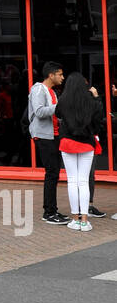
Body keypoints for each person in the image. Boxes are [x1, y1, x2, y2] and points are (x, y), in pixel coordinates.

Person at [54, 73, 105, 233]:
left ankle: (74, 219)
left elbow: (57, 114)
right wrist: (96, 97)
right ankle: (84, 220)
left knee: (72, 181)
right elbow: (99, 121)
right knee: (83, 182)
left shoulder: (63, 100)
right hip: (86, 144)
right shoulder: (91, 102)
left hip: (68, 142)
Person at [28, 62, 69, 225]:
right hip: (44, 136)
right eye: (60, 74)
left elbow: (53, 113)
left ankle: (52, 210)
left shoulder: (51, 91)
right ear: (51, 75)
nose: (62, 77)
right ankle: (49, 213)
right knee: (51, 173)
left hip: (53, 136)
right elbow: (38, 112)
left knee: (54, 173)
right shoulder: (38, 89)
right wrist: (59, 106)